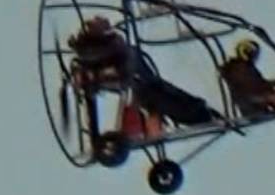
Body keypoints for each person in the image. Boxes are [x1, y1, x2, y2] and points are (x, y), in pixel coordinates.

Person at [67, 17, 218, 130]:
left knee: (157, 91)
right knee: (155, 94)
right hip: (139, 86)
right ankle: (201, 114)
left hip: (139, 84)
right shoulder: (100, 54)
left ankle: (201, 113)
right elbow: (123, 77)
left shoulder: (112, 52)